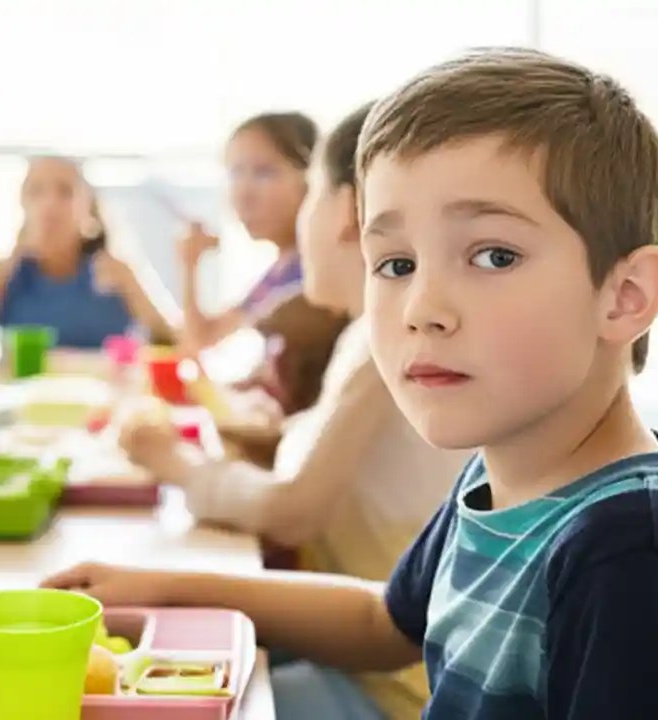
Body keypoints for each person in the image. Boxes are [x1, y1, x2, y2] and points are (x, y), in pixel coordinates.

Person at [46, 48, 658, 719]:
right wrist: (164, 586)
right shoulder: (500, 474)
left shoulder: (636, 556)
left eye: (493, 256)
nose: (422, 309)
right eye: (395, 264)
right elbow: (389, 624)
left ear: (624, 296)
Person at [118, 103, 467, 719]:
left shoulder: (382, 342)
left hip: (397, 689)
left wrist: (175, 464)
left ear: (345, 213)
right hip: (375, 657)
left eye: (307, 196)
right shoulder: (369, 335)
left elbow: (294, 509)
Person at [0, 156, 176, 356]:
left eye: (65, 191)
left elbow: (171, 340)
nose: (49, 204)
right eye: (36, 191)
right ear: (22, 203)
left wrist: (129, 286)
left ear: (88, 205)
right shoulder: (8, 274)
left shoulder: (117, 271)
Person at [178, 112, 317, 352]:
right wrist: (190, 265)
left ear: (313, 179)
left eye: (264, 172)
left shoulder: (312, 276)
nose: (243, 194)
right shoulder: (279, 271)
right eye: (235, 173)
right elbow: (204, 339)